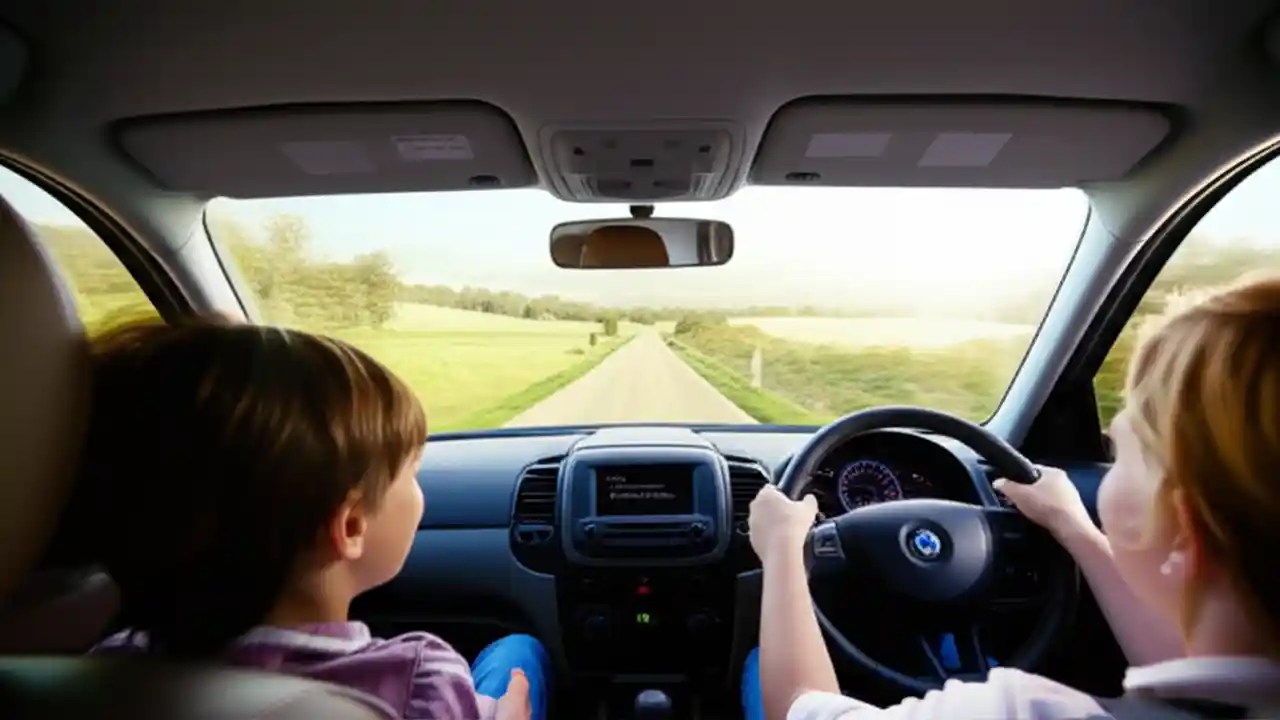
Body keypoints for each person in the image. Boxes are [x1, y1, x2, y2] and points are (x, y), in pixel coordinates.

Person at [744, 274, 1280, 719]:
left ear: (1184, 532)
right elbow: (1186, 655)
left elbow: (797, 706)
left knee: (753, 668)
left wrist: (784, 552)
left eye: (1118, 451)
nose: (1109, 463)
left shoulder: (1020, 710)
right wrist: (1073, 527)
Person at [72, 319, 550, 720]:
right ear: (351, 525)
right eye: (412, 472)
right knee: (518, 652)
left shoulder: (105, 667)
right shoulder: (420, 679)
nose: (417, 486)